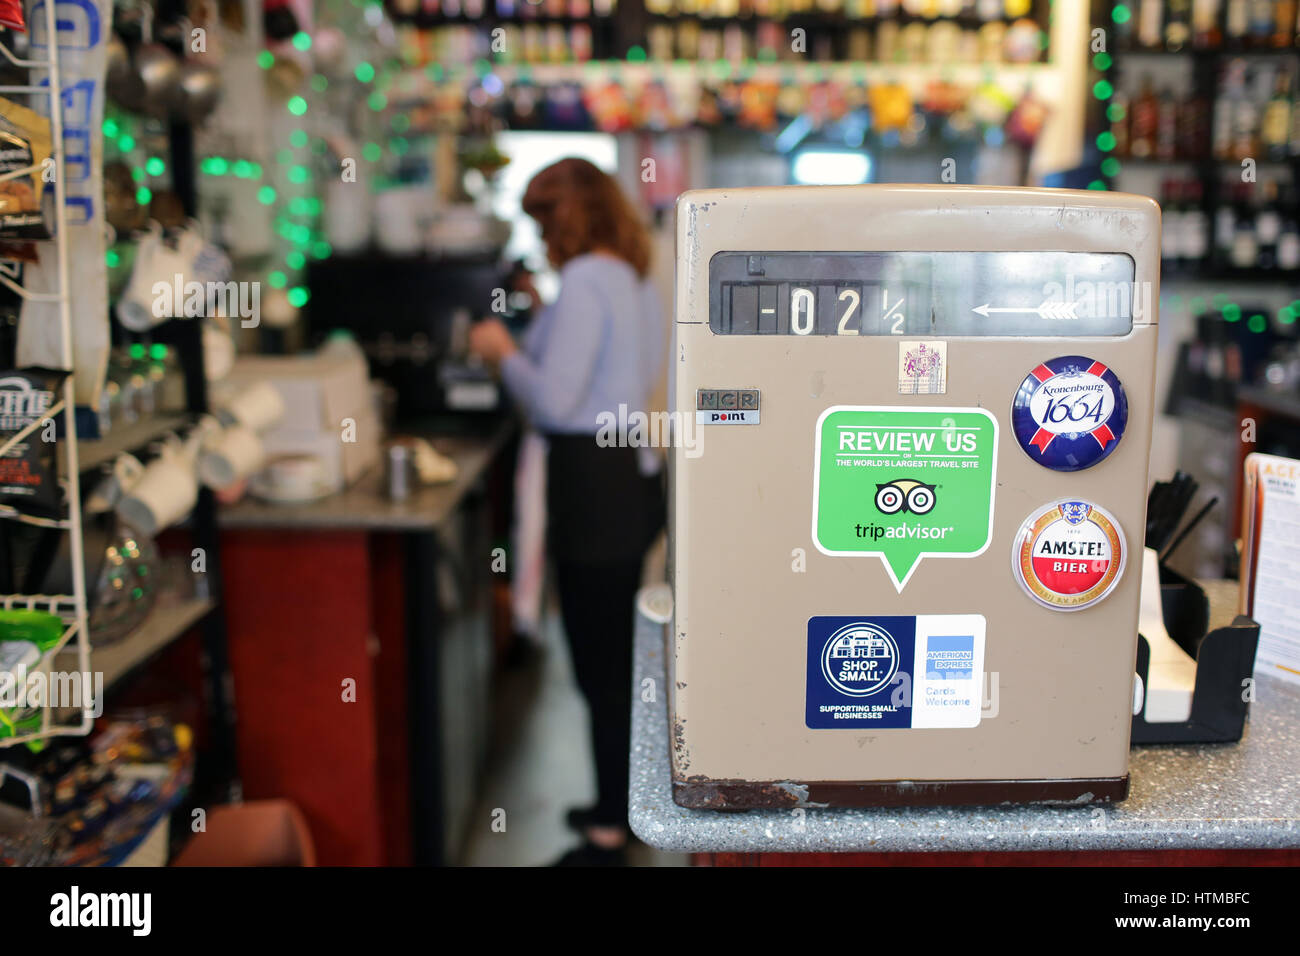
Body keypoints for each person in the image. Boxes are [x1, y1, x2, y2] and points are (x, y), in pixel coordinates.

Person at [469, 158, 666, 866]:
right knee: (618, 659)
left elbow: (554, 401)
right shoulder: (631, 274)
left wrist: (498, 352)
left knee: (598, 670)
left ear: (569, 217)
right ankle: (623, 802)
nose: (543, 237)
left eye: (545, 222)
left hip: (592, 486)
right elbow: (621, 377)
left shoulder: (585, 281)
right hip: (633, 477)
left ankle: (612, 827)